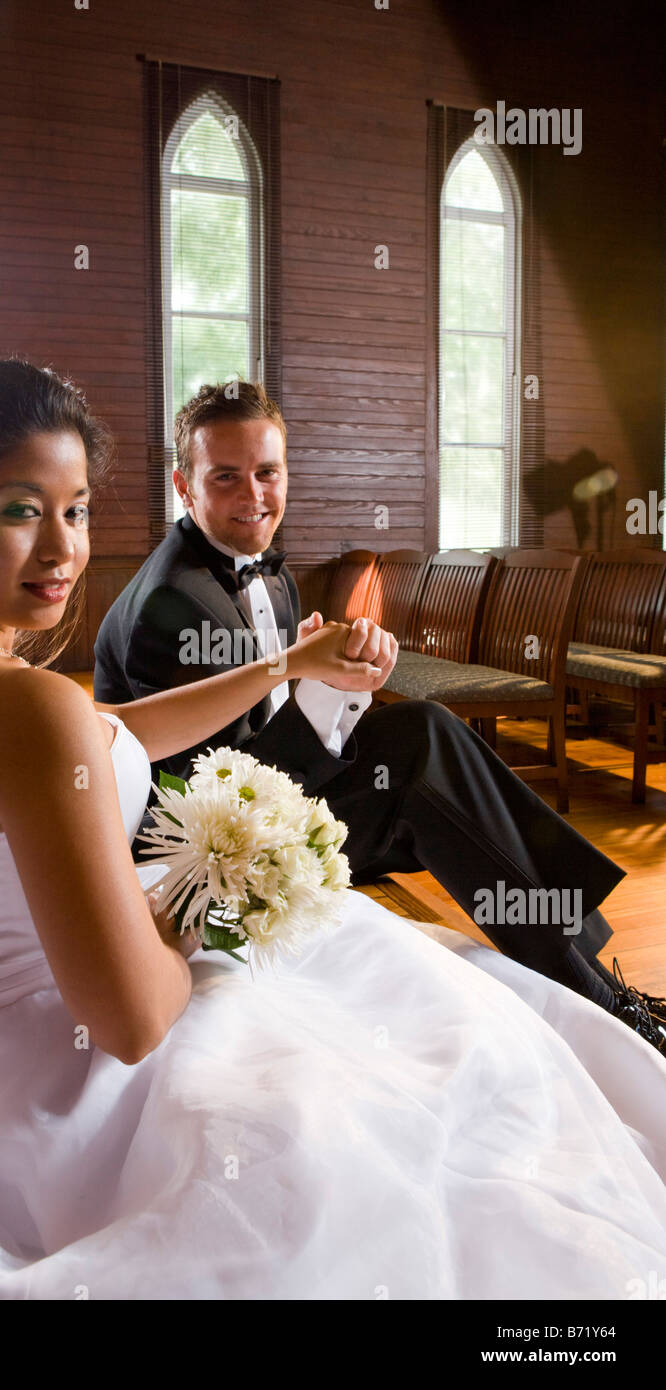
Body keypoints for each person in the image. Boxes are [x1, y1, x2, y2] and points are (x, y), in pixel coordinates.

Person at [0, 343, 666, 1302]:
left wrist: (288, 667)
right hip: (61, 1064)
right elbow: (130, 1023)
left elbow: (109, 730)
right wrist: (195, 896)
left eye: (77, 511)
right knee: (441, 1052)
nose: (62, 550)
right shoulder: (28, 703)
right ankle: (595, 992)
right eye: (20, 511)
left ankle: (588, 973)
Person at [93, 380, 666, 1049]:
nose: (254, 497)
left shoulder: (265, 571)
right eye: (225, 477)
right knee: (421, 768)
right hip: (209, 874)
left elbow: (268, 706)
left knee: (427, 732)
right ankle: (600, 1002)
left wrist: (334, 673)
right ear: (183, 486)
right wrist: (320, 681)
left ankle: (594, 978)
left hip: (269, 794)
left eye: (267, 472)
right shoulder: (173, 602)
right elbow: (224, 803)